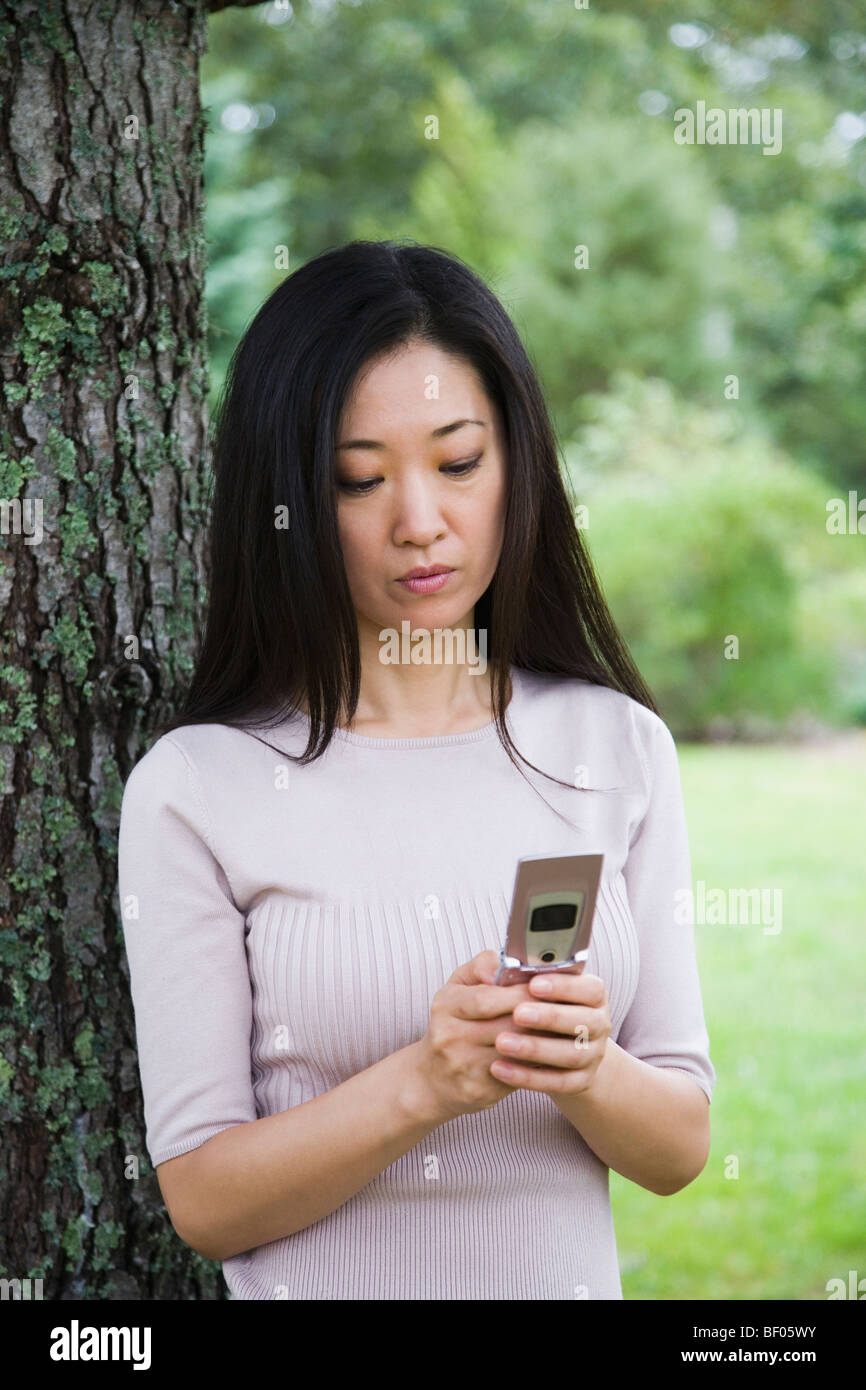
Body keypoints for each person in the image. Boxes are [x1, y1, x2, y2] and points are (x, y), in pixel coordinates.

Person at [117, 239, 715, 1300]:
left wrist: (582, 1067)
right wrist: (423, 1083)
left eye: (457, 462)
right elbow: (205, 1200)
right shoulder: (200, 786)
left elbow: (674, 1145)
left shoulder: (611, 748)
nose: (419, 523)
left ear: (514, 462)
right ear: (286, 499)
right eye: (358, 479)